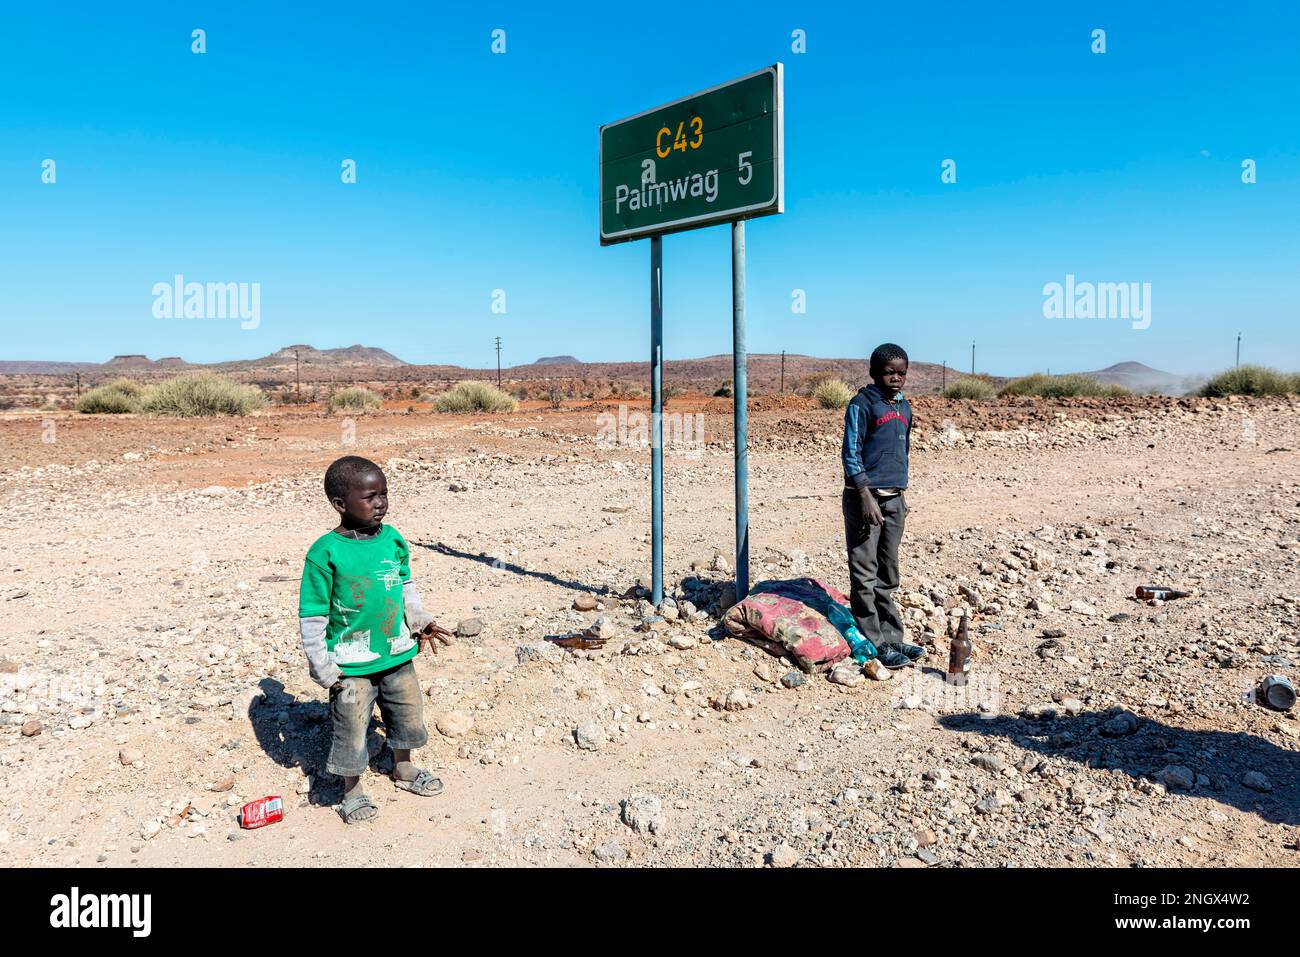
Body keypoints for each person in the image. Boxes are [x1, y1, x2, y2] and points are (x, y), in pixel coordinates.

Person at [298, 455, 454, 823]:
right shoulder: (325, 553)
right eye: (370, 496)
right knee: (350, 723)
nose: (381, 502)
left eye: (384, 493)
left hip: (397, 651)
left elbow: (405, 586)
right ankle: (351, 789)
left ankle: (403, 768)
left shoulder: (393, 539)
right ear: (341, 504)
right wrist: (322, 665)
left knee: (407, 713)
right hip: (350, 664)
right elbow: (313, 616)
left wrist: (419, 621)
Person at [840, 343, 926, 670]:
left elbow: (901, 453)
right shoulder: (862, 405)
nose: (896, 378)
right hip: (865, 499)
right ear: (874, 373)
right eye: (889, 372)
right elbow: (850, 453)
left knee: (888, 572)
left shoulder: (904, 408)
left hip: (894, 499)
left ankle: (892, 637)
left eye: (901, 373)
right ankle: (874, 643)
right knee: (865, 573)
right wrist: (864, 495)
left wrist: (900, 497)